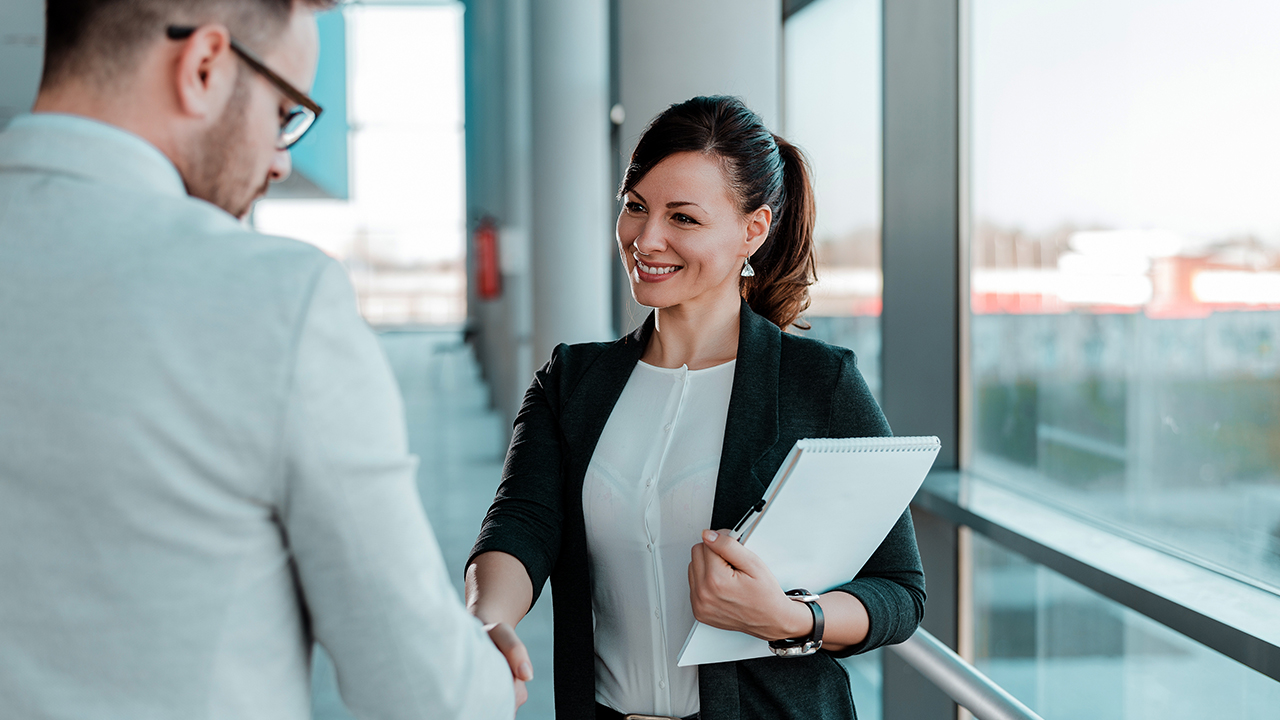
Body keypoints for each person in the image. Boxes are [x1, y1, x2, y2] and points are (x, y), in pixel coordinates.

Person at [0, 0, 519, 717]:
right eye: (283, 112)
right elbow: (425, 694)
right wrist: (481, 667)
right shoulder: (274, 300)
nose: (281, 159)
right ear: (204, 67)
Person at [465, 95, 927, 720]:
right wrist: (484, 623)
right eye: (635, 207)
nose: (646, 238)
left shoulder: (820, 383)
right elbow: (520, 526)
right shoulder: (571, 381)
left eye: (683, 218)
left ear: (752, 231)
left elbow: (898, 591)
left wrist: (791, 618)